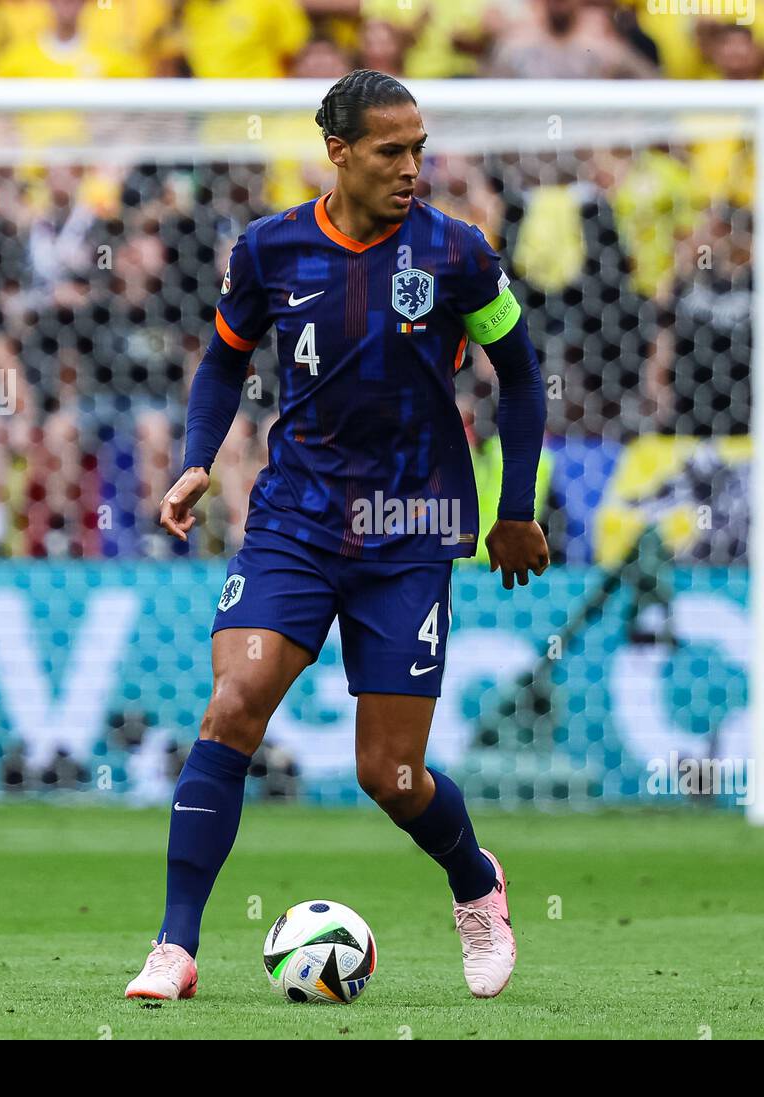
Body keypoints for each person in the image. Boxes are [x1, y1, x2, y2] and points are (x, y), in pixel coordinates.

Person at [125, 70, 548, 1002]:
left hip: (411, 526)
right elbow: (220, 363)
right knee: (234, 706)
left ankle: (476, 883)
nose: (411, 169)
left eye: (419, 150)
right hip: (297, 517)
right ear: (340, 151)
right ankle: (175, 946)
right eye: (392, 152)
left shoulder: (457, 254)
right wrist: (200, 459)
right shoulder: (270, 250)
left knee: (390, 775)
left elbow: (519, 376)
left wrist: (513, 508)